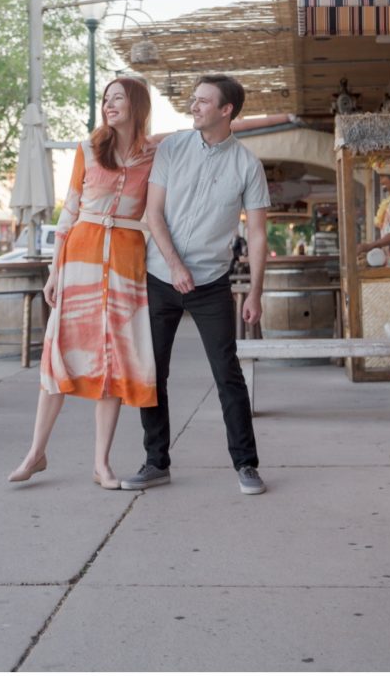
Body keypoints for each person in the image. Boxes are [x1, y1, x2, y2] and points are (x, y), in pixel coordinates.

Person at [121, 74, 271, 496]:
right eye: (194, 99)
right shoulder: (171, 149)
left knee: (227, 374)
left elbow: (257, 235)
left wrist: (255, 292)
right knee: (153, 374)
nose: (194, 106)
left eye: (204, 101)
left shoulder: (247, 165)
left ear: (226, 110)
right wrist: (174, 264)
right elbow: (154, 214)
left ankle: (246, 464)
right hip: (160, 275)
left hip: (211, 282)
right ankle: (156, 463)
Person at [9, 77, 159, 489]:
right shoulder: (88, 150)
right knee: (61, 356)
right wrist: (56, 271)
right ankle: (36, 453)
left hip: (127, 265)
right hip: (81, 260)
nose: (109, 105)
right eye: (106, 99)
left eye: (119, 99)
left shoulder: (153, 156)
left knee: (112, 362)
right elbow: (68, 213)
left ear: (137, 105)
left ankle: (101, 464)